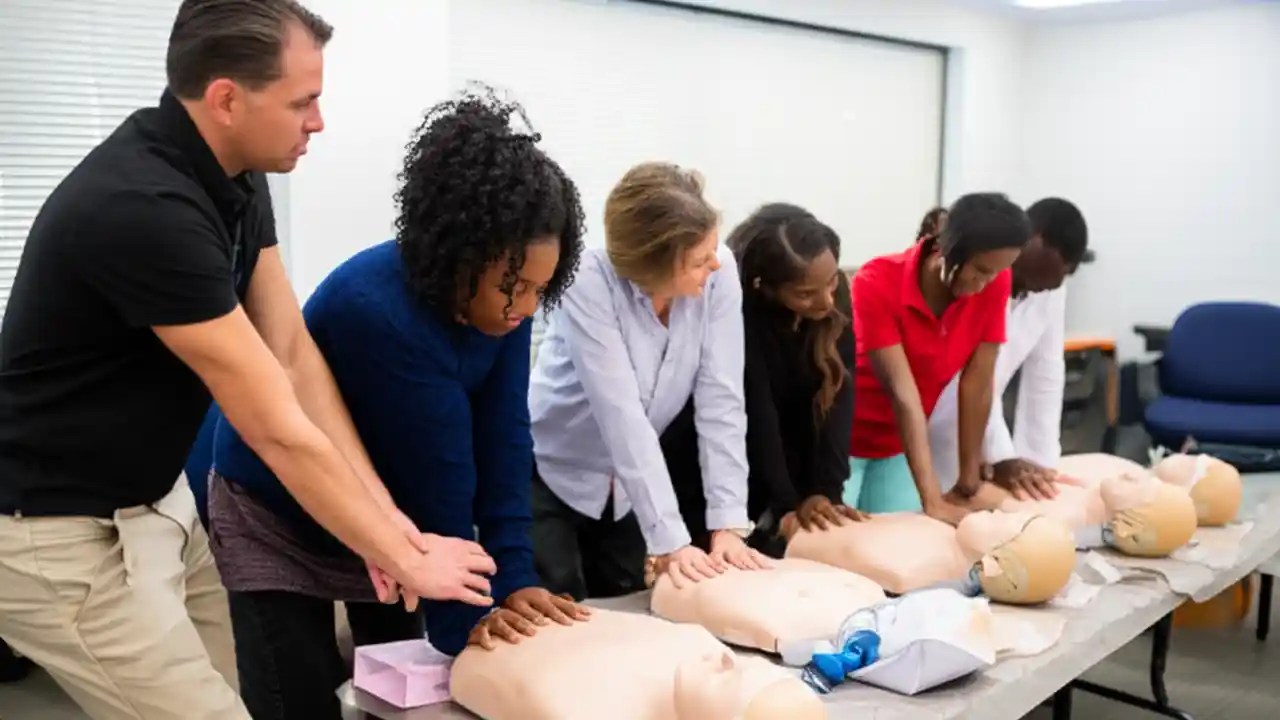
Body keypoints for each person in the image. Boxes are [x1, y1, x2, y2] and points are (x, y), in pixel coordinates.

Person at [0, 3, 485, 718]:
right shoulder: (143, 207)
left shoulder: (233, 177)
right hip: (59, 535)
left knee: (244, 696)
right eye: (303, 101)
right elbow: (272, 423)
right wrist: (408, 557)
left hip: (156, 505)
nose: (317, 121)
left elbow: (290, 354)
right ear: (226, 98)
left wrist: (386, 526)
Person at [190, 89, 590, 719]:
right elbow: (443, 475)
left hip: (397, 523)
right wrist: (468, 625)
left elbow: (505, 444)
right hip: (281, 510)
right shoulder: (377, 310)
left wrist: (515, 580)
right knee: (300, 699)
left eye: (542, 288)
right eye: (513, 287)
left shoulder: (502, 313)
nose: (526, 308)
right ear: (460, 255)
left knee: (396, 699)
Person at [529, 162, 768, 600]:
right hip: (552, 473)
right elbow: (621, 416)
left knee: (627, 604)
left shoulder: (720, 274)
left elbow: (722, 401)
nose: (714, 263)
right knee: (557, 609)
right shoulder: (584, 281)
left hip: (627, 490)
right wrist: (672, 541)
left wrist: (728, 524)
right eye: (697, 260)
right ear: (652, 264)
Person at [845, 193, 1033, 525]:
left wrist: (969, 477)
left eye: (998, 272)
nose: (986, 283)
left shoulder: (995, 281)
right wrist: (933, 500)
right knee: (833, 544)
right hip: (843, 440)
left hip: (896, 448)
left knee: (903, 541)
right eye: (980, 270)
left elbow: (977, 384)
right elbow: (903, 394)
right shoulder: (876, 281)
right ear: (948, 249)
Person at [928, 198, 1089, 499]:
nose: (1052, 285)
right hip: (933, 421)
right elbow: (973, 378)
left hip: (977, 427)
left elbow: (1045, 375)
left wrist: (1039, 467)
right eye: (1054, 269)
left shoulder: (1051, 291)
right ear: (1030, 238)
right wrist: (1002, 456)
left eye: (1062, 277)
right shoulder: (976, 276)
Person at [726, 203, 864, 556]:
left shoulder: (830, 294)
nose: (826, 301)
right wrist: (786, 504)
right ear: (764, 287)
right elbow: (758, 412)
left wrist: (827, 491)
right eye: (805, 294)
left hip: (804, 442)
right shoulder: (738, 309)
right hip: (741, 458)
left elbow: (839, 398)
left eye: (832, 282)